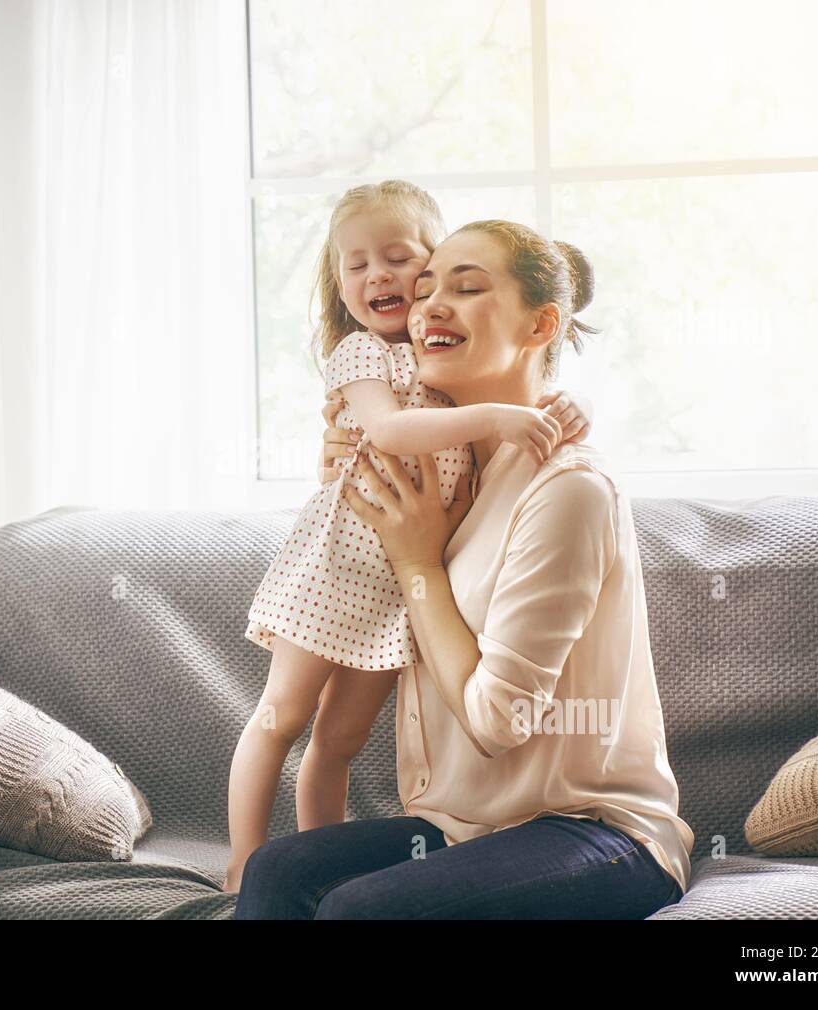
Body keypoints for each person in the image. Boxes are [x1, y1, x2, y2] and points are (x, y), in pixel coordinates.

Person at [233, 218, 694, 919]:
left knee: (359, 911)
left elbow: (499, 719)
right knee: (278, 869)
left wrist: (418, 563)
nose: (428, 308)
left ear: (542, 325)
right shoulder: (445, 480)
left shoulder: (566, 488)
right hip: (462, 831)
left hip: (594, 832)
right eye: (426, 289)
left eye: (467, 287)